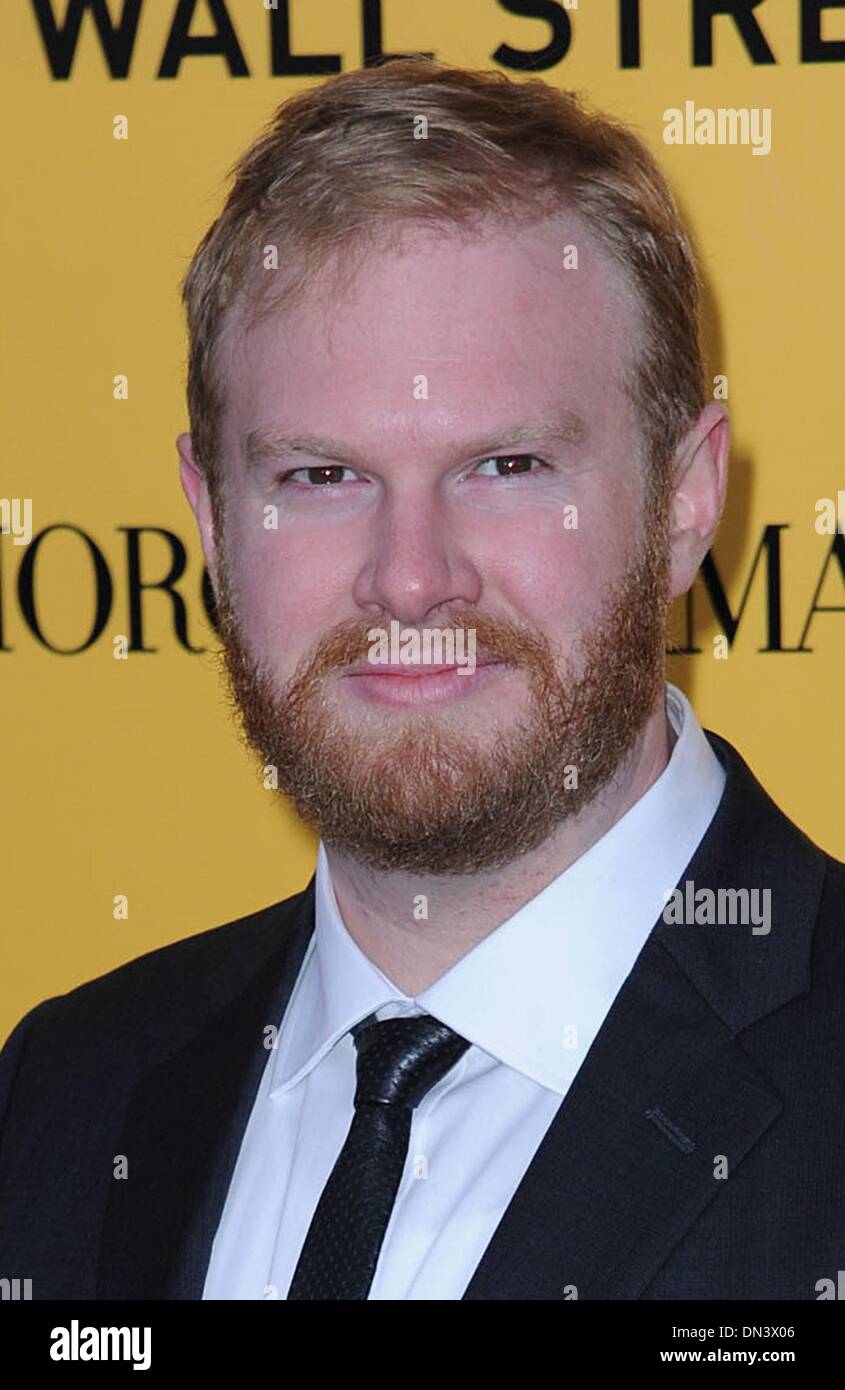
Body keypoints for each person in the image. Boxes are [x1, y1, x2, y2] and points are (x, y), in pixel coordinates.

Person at [0, 56, 842, 1302]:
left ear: (684, 497)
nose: (408, 582)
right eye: (319, 477)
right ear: (209, 518)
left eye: (504, 466)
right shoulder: (65, 1093)